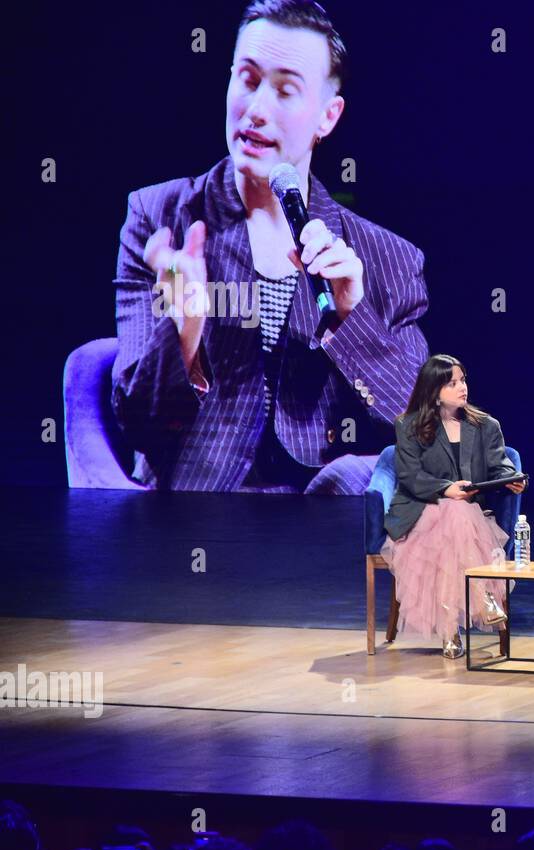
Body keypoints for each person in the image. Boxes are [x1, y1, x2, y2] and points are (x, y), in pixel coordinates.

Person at [111, 0, 428, 492]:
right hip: (192, 517)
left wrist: (351, 320)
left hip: (320, 524)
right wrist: (185, 332)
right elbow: (138, 426)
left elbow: (423, 432)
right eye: (248, 79)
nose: (257, 110)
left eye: (285, 91)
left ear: (328, 117)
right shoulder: (161, 220)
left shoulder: (386, 259)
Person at [382, 355, 527, 658]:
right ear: (434, 391)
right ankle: (484, 596)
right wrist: (446, 489)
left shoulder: (485, 426)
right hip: (421, 513)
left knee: (458, 512)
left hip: (470, 519)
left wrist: (511, 480)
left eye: (463, 380)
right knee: (453, 509)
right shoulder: (408, 426)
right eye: (452, 383)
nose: (462, 388)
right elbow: (410, 477)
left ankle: (451, 633)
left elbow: (500, 465)